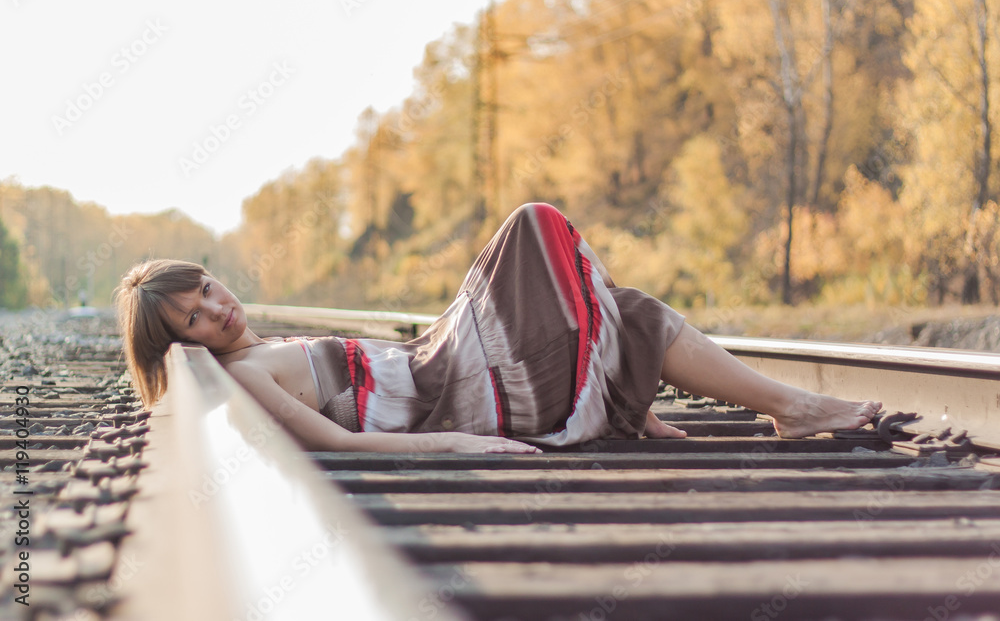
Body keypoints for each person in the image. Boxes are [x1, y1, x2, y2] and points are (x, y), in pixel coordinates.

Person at [114, 202, 881, 454]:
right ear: (183, 342)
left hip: (444, 361)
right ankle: (778, 406)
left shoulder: (256, 347)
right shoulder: (244, 374)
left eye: (208, 289)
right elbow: (342, 446)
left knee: (627, 309)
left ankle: (773, 405)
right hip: (453, 396)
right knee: (535, 227)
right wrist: (466, 445)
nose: (218, 308)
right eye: (196, 317)